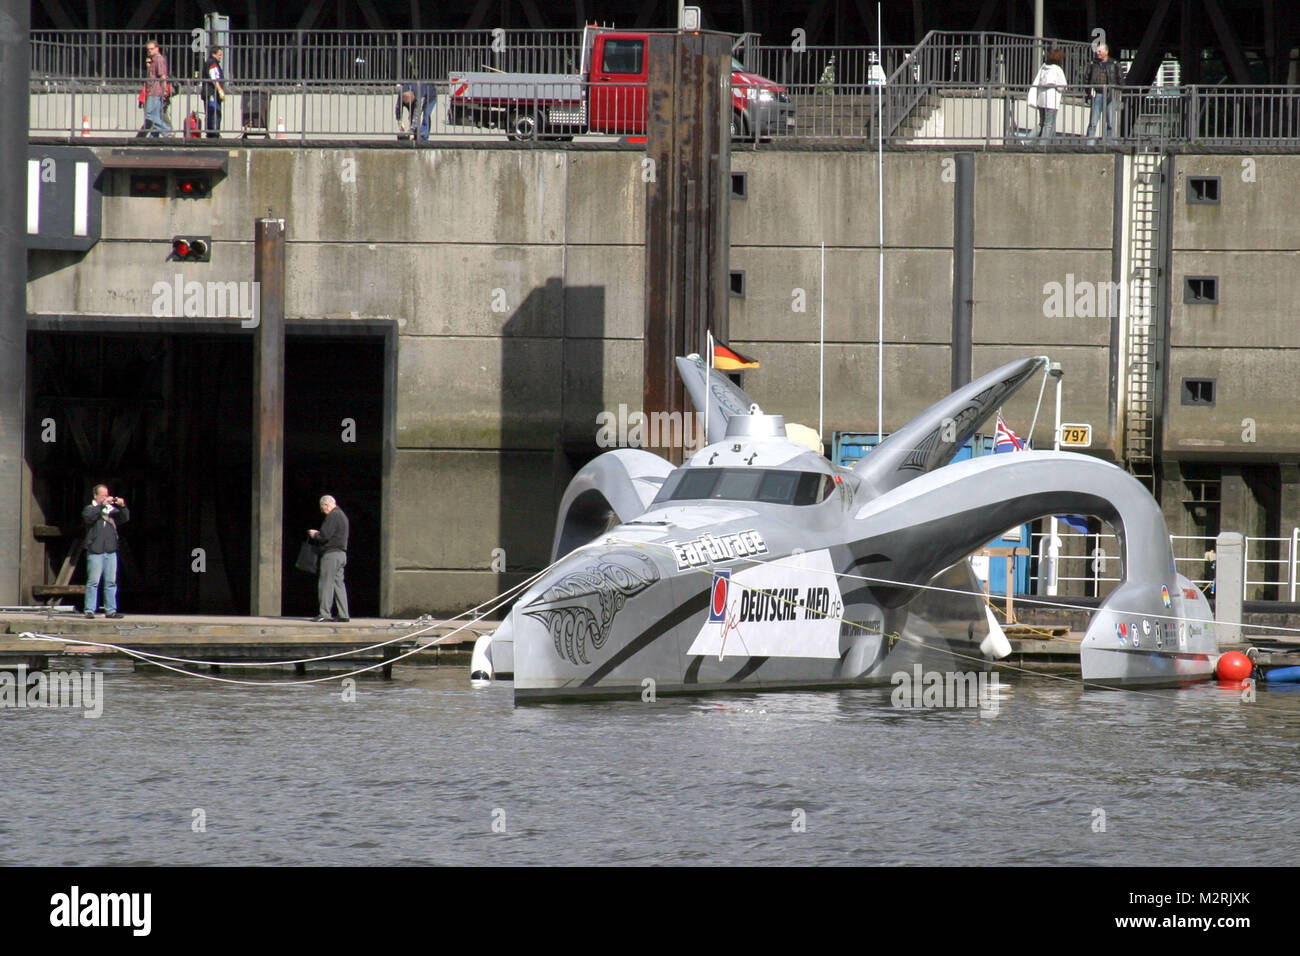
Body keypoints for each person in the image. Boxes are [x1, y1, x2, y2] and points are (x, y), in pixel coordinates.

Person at [82, 484, 129, 619]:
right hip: (96, 551)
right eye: (102, 495)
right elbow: (89, 517)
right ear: (95, 496)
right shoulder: (90, 509)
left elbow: (124, 518)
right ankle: (90, 610)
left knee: (111, 582)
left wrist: (122, 506)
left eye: (106, 495)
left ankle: (110, 610)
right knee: (93, 582)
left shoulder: (110, 511)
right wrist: (102, 505)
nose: (105, 498)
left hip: (110, 551)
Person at [308, 495, 350, 622]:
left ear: (326, 505)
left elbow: (325, 536)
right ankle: (344, 614)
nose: (323, 511)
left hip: (331, 555)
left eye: (322, 508)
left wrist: (315, 534)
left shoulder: (333, 515)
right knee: (339, 584)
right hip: (342, 555)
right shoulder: (343, 516)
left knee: (326, 583)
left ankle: (324, 614)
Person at [1085, 43, 1123, 144]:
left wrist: (1116, 90)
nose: (1097, 53)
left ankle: (1109, 143)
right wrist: (1088, 92)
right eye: (1097, 51)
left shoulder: (1114, 64)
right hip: (1097, 94)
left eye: (1099, 51)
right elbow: (1087, 78)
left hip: (1110, 94)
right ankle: (1089, 144)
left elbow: (1120, 80)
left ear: (1106, 52)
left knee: (1110, 121)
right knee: (1093, 121)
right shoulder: (1093, 63)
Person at [1028, 48, 1067, 141]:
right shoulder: (1058, 69)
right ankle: (1043, 145)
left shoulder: (1044, 67)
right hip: (1051, 101)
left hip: (1041, 99)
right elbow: (1062, 86)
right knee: (1049, 124)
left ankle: (1026, 140)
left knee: (1042, 123)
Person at [143, 39, 172, 137]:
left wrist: (164, 90)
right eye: (148, 49)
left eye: (152, 49)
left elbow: (162, 76)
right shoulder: (153, 60)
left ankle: (167, 131)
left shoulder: (159, 59)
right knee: (156, 115)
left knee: (150, 115)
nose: (150, 51)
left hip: (155, 91)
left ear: (157, 49)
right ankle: (153, 137)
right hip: (151, 90)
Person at [203, 46, 226, 138]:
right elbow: (214, 77)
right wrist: (220, 90)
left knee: (211, 112)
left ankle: (211, 132)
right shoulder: (213, 63)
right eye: (219, 55)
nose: (221, 57)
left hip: (209, 92)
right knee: (215, 112)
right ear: (213, 54)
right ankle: (214, 133)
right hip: (211, 92)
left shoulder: (211, 62)